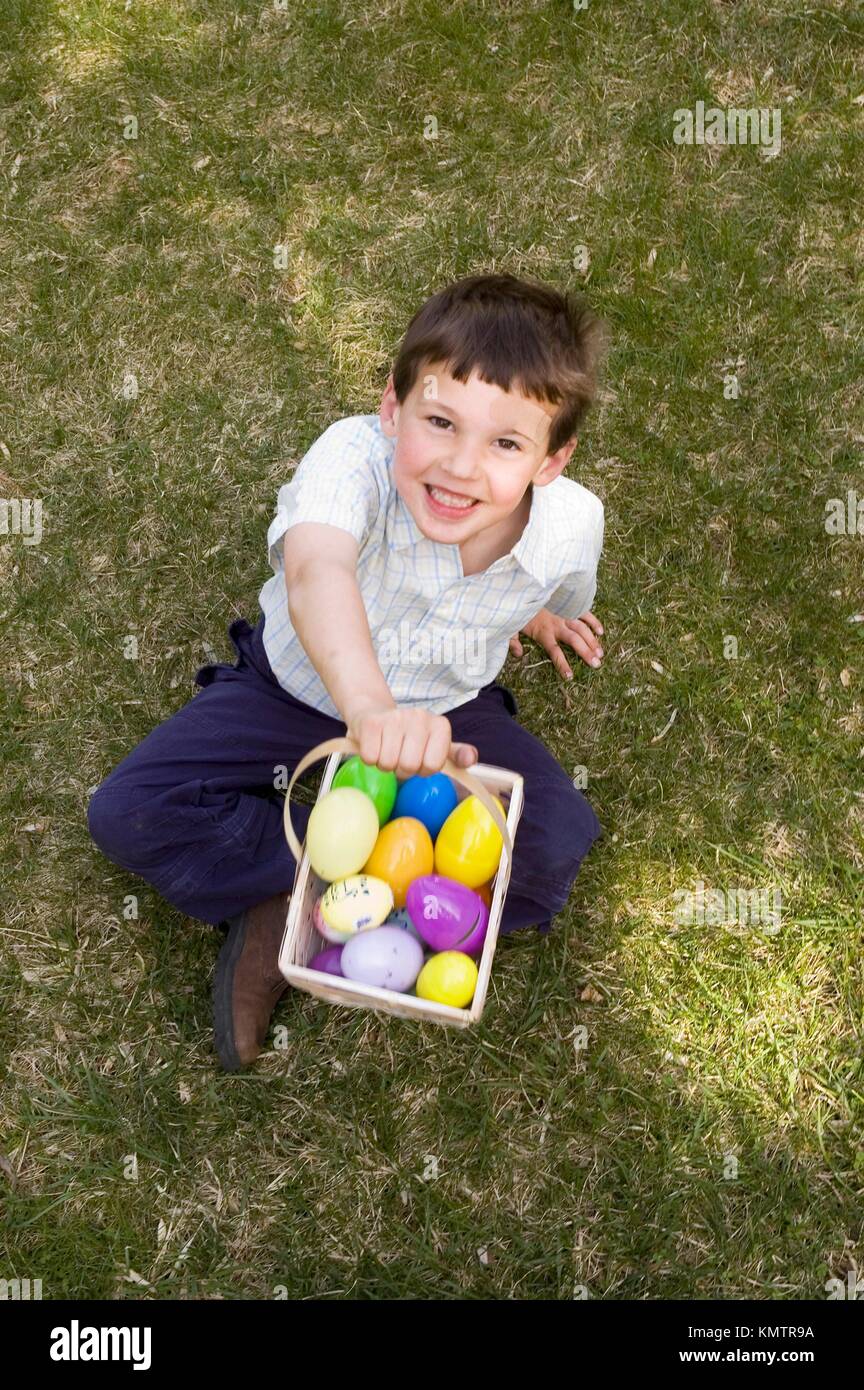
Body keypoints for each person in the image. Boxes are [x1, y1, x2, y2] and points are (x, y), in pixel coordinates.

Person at [87, 272, 608, 1071]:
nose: (463, 468)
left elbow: (559, 582)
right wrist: (366, 710)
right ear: (392, 409)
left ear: (551, 461)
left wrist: (535, 614)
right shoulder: (351, 458)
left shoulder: (572, 524)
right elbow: (317, 571)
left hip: (448, 714)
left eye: (506, 443)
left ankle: (371, 895)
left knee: (555, 844)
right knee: (130, 811)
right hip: (294, 692)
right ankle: (290, 896)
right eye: (439, 422)